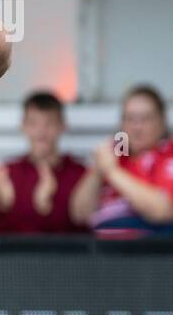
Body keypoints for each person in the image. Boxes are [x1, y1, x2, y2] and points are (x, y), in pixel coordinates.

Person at [71, 85, 173, 238]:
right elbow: (79, 214)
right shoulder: (116, 152)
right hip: (103, 254)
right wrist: (98, 172)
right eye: (130, 118)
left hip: (151, 254)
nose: (136, 127)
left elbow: (163, 212)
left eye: (145, 119)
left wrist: (112, 172)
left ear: (161, 122)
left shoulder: (167, 153)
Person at [0, 91, 88, 235]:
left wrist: (48, 208)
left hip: (67, 257)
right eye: (33, 123)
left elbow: (86, 230)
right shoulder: (7, 174)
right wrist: (3, 205)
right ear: (23, 126)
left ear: (62, 126)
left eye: (49, 123)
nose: (41, 131)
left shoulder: (79, 174)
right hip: (14, 257)